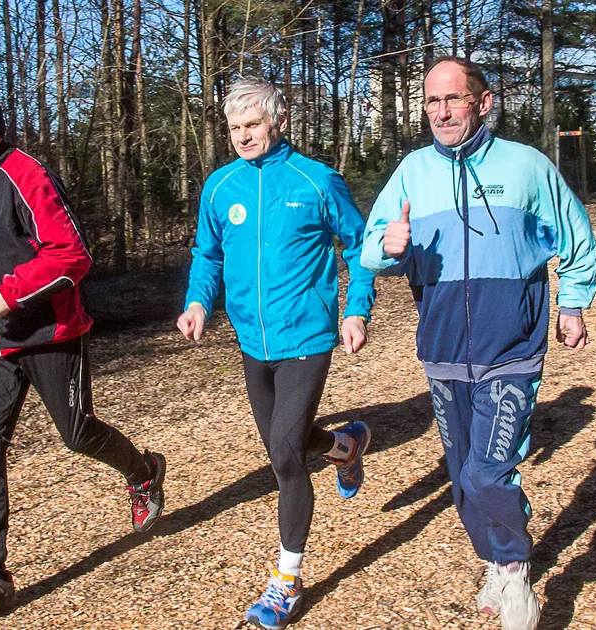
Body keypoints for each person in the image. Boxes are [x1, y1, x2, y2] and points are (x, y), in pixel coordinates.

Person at [361, 57, 596, 630]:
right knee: (462, 470)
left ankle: (516, 577)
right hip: (442, 350)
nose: (441, 112)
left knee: (486, 473)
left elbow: (575, 234)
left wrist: (573, 302)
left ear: (483, 102)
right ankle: (495, 557)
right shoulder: (413, 172)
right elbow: (368, 251)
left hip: (511, 345)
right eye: (432, 102)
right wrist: (389, 246)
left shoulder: (526, 167)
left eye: (453, 99)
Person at [0, 85, 166, 616]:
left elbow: (72, 255)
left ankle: (143, 471)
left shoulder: (26, 174)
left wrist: (6, 295)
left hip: (51, 335)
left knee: (77, 433)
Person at [177, 76, 376, 630]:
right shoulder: (220, 187)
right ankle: (345, 444)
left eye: (253, 125)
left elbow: (359, 246)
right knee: (283, 445)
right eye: (235, 127)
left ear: (279, 122)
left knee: (285, 455)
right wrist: (198, 303)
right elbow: (207, 255)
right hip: (250, 341)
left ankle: (286, 579)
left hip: (307, 337)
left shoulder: (316, 180)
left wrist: (357, 308)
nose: (243, 136)